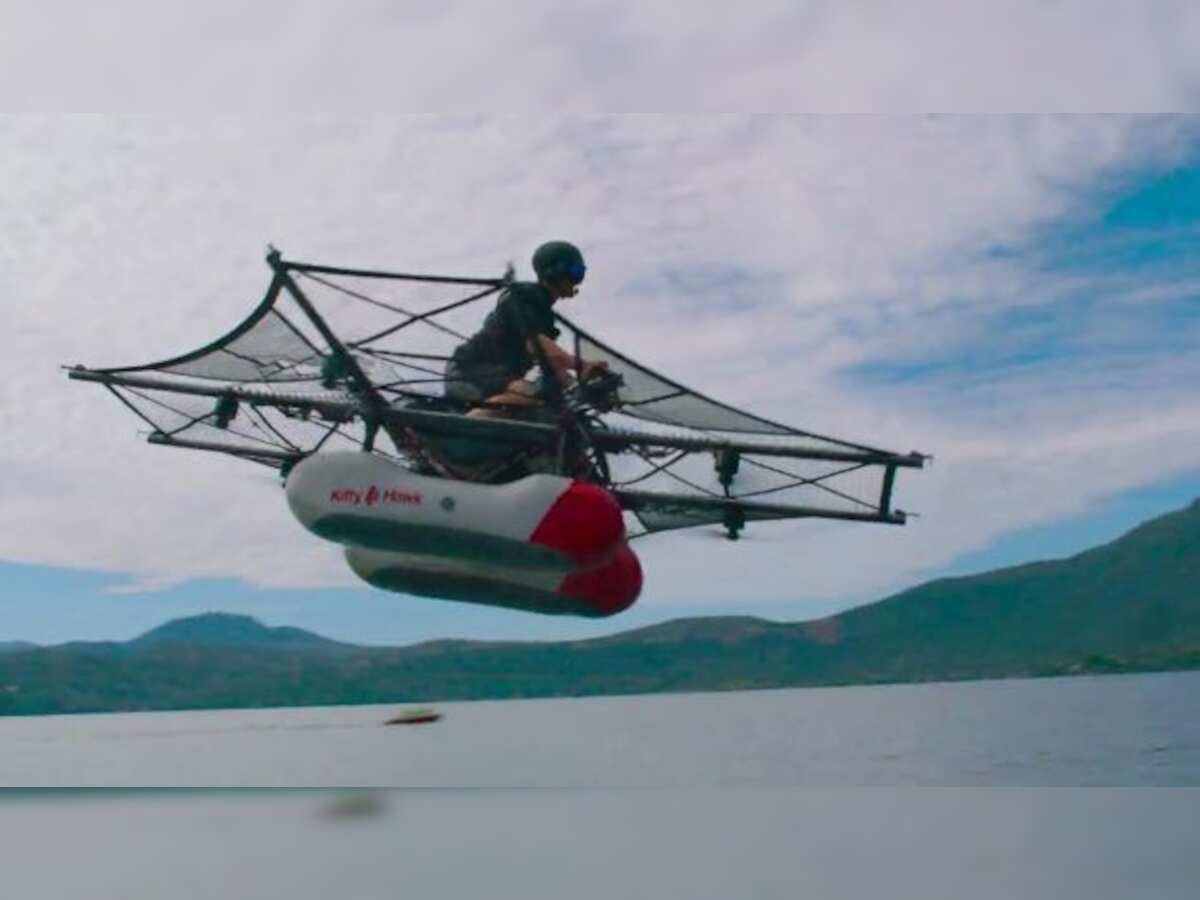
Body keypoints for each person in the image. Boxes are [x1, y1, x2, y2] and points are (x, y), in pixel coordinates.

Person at [445, 240, 609, 418]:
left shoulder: (545, 316)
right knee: (526, 394)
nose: (578, 279)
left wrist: (578, 387)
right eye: (576, 272)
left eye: (581, 272)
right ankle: (454, 432)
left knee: (551, 409)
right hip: (467, 371)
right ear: (555, 271)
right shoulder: (525, 298)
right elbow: (539, 347)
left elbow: (550, 365)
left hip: (497, 375)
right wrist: (582, 365)